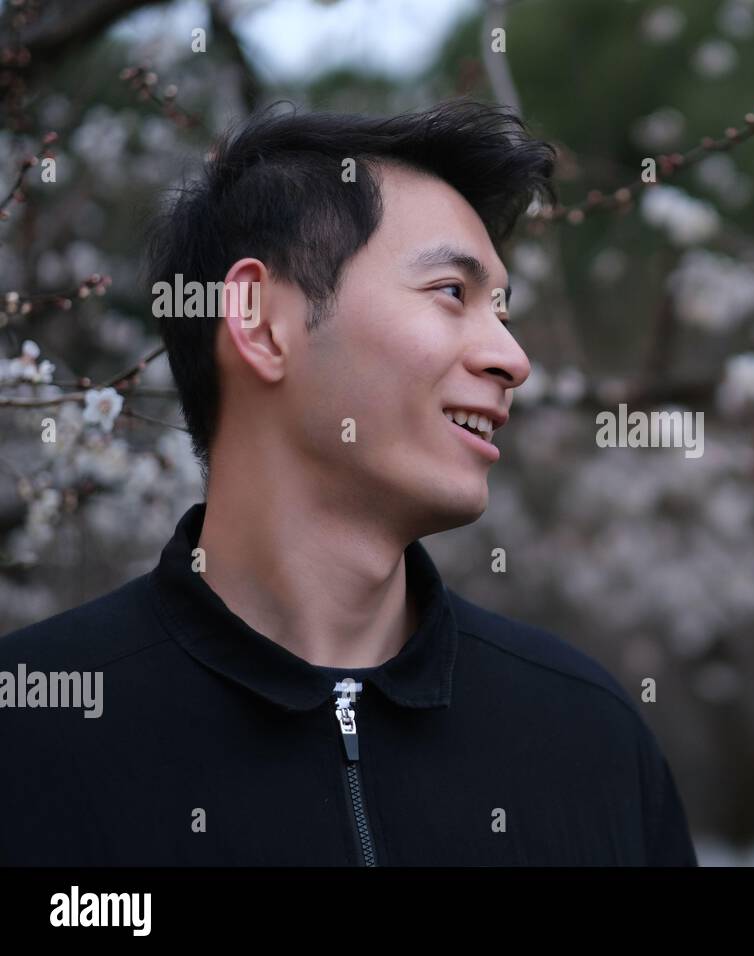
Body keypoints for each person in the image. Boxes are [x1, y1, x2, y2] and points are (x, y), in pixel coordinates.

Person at [0, 100, 698, 866]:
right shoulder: (34, 733)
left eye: (502, 310)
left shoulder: (588, 740)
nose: (513, 359)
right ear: (260, 322)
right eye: (450, 293)